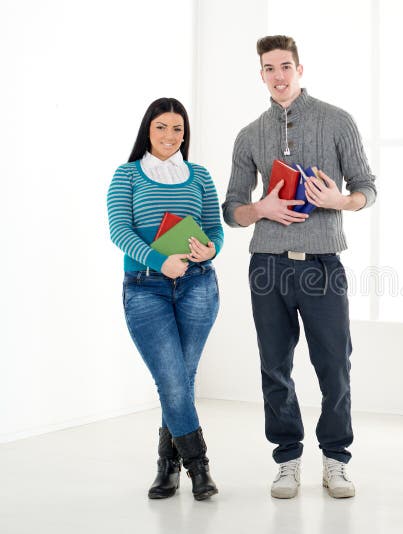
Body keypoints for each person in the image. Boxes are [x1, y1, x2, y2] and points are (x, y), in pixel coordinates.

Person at [222, 35, 376, 500]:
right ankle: (287, 460)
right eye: (269, 68)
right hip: (267, 266)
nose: (279, 76)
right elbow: (231, 209)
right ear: (261, 74)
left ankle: (336, 460)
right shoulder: (249, 134)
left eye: (286, 66)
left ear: (300, 69)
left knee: (334, 365)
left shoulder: (337, 121)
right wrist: (260, 209)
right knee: (275, 366)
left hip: (323, 264)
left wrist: (340, 201)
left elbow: (367, 187)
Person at [107, 97, 224, 501]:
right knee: (172, 380)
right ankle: (198, 466)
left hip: (198, 285)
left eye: (178, 129)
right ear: (147, 130)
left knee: (180, 380)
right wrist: (160, 261)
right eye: (162, 127)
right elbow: (119, 230)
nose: (170, 136)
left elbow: (214, 229)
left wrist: (211, 250)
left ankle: (166, 466)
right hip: (145, 287)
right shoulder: (127, 176)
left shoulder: (200, 176)